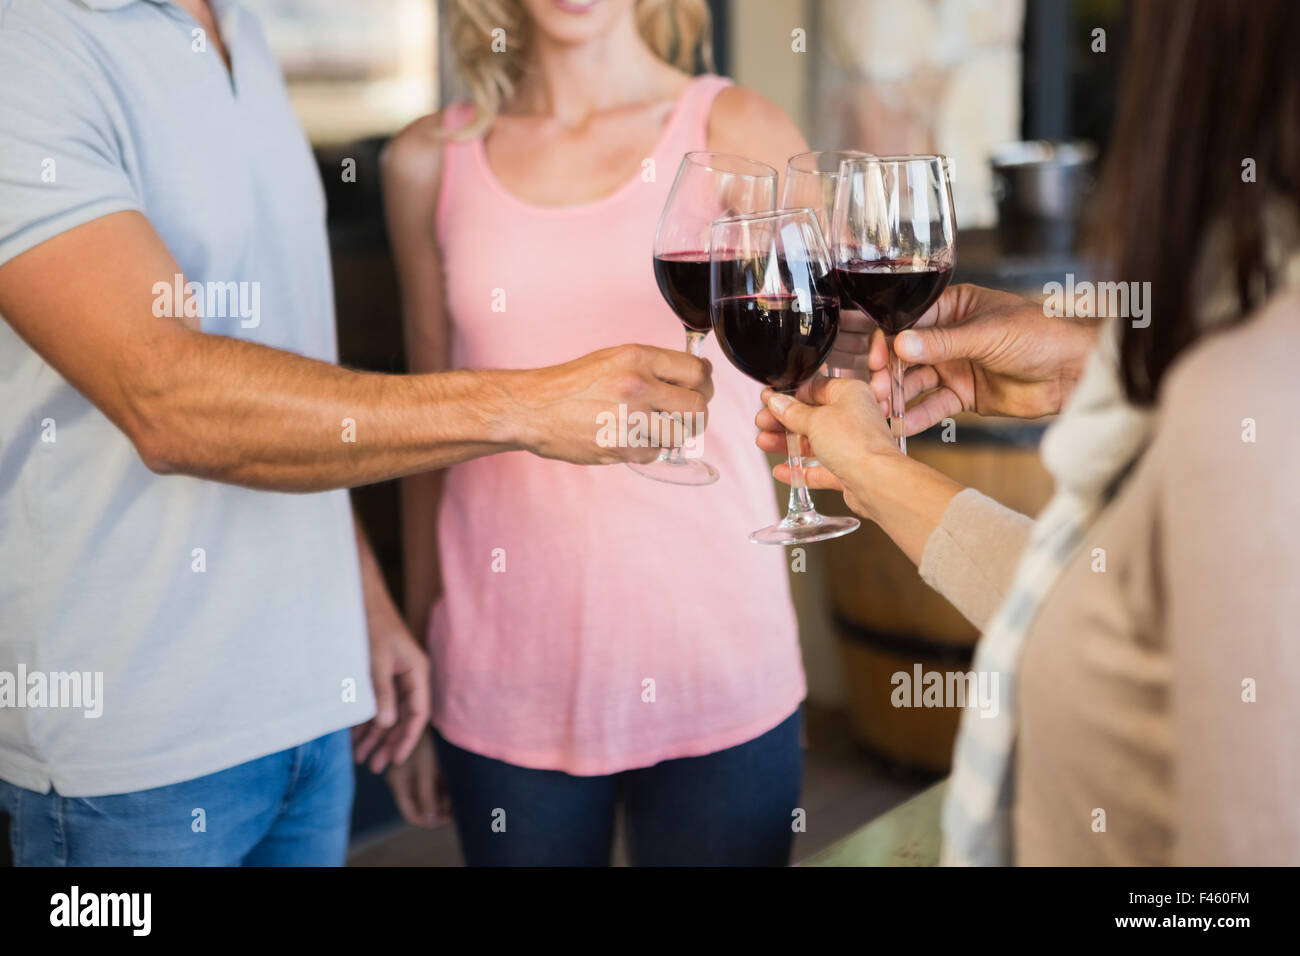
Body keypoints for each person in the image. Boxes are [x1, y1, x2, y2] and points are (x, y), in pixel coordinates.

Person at [0, 0, 711, 866]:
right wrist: (523, 407)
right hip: (136, 753)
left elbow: (287, 362)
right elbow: (168, 398)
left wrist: (362, 599)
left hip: (311, 711)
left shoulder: (238, 25)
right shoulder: (27, 43)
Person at [756, 0, 1300, 864]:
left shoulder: (1255, 391)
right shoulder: (1240, 362)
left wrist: (870, 464)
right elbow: (1103, 621)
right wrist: (1100, 370)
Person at [380, 0, 856, 866]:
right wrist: (417, 640)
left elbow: (821, 356)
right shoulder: (428, 161)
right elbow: (427, 427)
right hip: (503, 669)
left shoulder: (737, 125)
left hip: (715, 654)